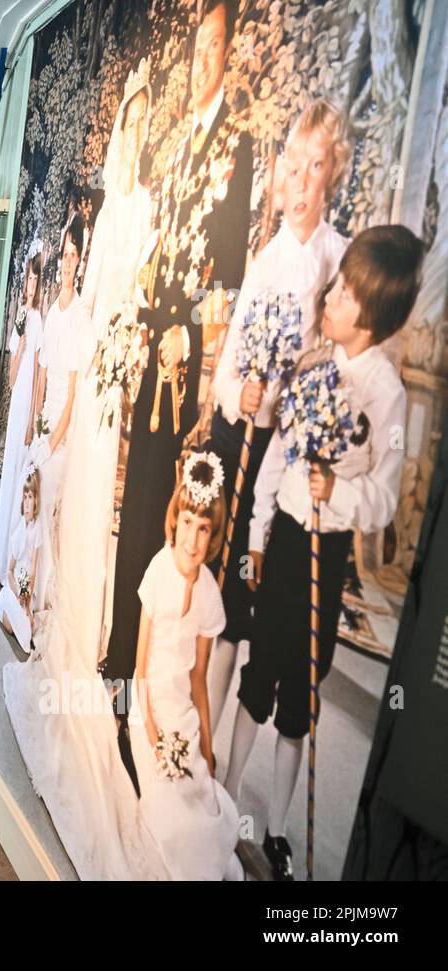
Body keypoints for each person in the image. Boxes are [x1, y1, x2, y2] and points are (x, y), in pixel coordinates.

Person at [223, 225, 424, 881]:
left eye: (341, 292)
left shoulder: (386, 394)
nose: (329, 295)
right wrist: (254, 533)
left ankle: (276, 829)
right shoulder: (311, 367)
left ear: (367, 314)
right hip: (282, 544)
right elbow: (274, 463)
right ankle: (226, 798)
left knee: (300, 697)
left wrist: (338, 490)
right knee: (259, 677)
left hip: (327, 553)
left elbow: (385, 498)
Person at [103, 0, 255, 702]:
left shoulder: (238, 141)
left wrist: (192, 336)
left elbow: (226, 266)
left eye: (212, 48)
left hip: (189, 360)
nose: (200, 62)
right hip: (149, 345)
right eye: (194, 49)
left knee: (173, 515)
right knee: (136, 505)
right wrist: (143, 316)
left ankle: (159, 678)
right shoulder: (174, 143)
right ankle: (117, 655)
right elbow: (161, 248)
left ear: (227, 54)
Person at [205, 100, 352, 730]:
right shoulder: (263, 263)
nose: (301, 183)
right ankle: (203, 739)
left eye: (317, 167)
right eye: (294, 166)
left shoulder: (341, 263)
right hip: (244, 445)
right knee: (231, 595)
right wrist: (238, 391)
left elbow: (346, 372)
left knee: (280, 619)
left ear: (332, 175)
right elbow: (225, 375)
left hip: (295, 465)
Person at [49, 63, 153, 669]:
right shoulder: (111, 206)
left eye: (144, 124)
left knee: (97, 492)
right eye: (129, 123)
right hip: (93, 367)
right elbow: (88, 298)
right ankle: (67, 610)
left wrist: (123, 343)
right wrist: (85, 352)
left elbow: (138, 293)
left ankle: (90, 626)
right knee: (80, 486)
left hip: (114, 370)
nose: (135, 134)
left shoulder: (143, 207)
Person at [127, 451, 243, 881]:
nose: (193, 541)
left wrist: (207, 750)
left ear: (213, 535)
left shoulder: (210, 594)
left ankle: (213, 854)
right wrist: (155, 739)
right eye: (188, 524)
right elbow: (139, 670)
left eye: (204, 529)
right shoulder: (159, 570)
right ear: (176, 520)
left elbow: (198, 682)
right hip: (149, 707)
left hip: (183, 712)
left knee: (202, 792)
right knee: (170, 819)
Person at [34, 213, 95, 607]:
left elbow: (73, 394)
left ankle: (46, 594)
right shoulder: (52, 310)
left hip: (62, 429)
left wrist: (53, 439)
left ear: (81, 261)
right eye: (65, 254)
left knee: (48, 510)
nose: (69, 261)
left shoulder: (79, 317)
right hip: (43, 423)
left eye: (75, 254)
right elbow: (42, 372)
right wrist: (34, 429)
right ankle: (31, 586)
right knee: (35, 507)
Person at [0, 252, 44, 598]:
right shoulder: (22, 318)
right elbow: (11, 378)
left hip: (28, 411)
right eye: (29, 279)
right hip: (16, 402)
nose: (32, 285)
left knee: (22, 476)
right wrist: (19, 346)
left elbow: (39, 374)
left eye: (37, 280)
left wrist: (33, 422)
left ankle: (15, 554)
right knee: (9, 477)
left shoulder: (39, 319)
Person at [0, 462, 42, 650]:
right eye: (24, 498)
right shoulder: (18, 534)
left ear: (36, 501)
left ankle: (4, 605)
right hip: (14, 585)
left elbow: (33, 570)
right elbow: (9, 570)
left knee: (27, 628)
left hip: (26, 589)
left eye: (30, 497)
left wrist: (26, 599)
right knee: (9, 626)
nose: (26, 503)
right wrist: (17, 593)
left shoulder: (37, 531)